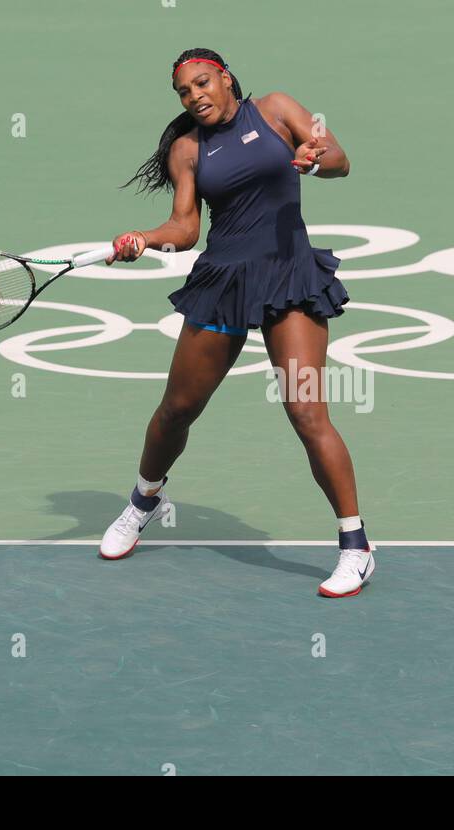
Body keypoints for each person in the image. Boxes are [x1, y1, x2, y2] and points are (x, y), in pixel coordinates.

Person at [98, 48, 373, 598]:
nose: (194, 96)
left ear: (225, 79)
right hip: (223, 282)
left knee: (306, 411)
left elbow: (340, 159)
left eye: (202, 83)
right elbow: (183, 227)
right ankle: (144, 500)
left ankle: (356, 547)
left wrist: (315, 159)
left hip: (290, 277)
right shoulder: (187, 149)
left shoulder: (275, 109)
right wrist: (145, 240)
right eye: (183, 91)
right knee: (177, 410)